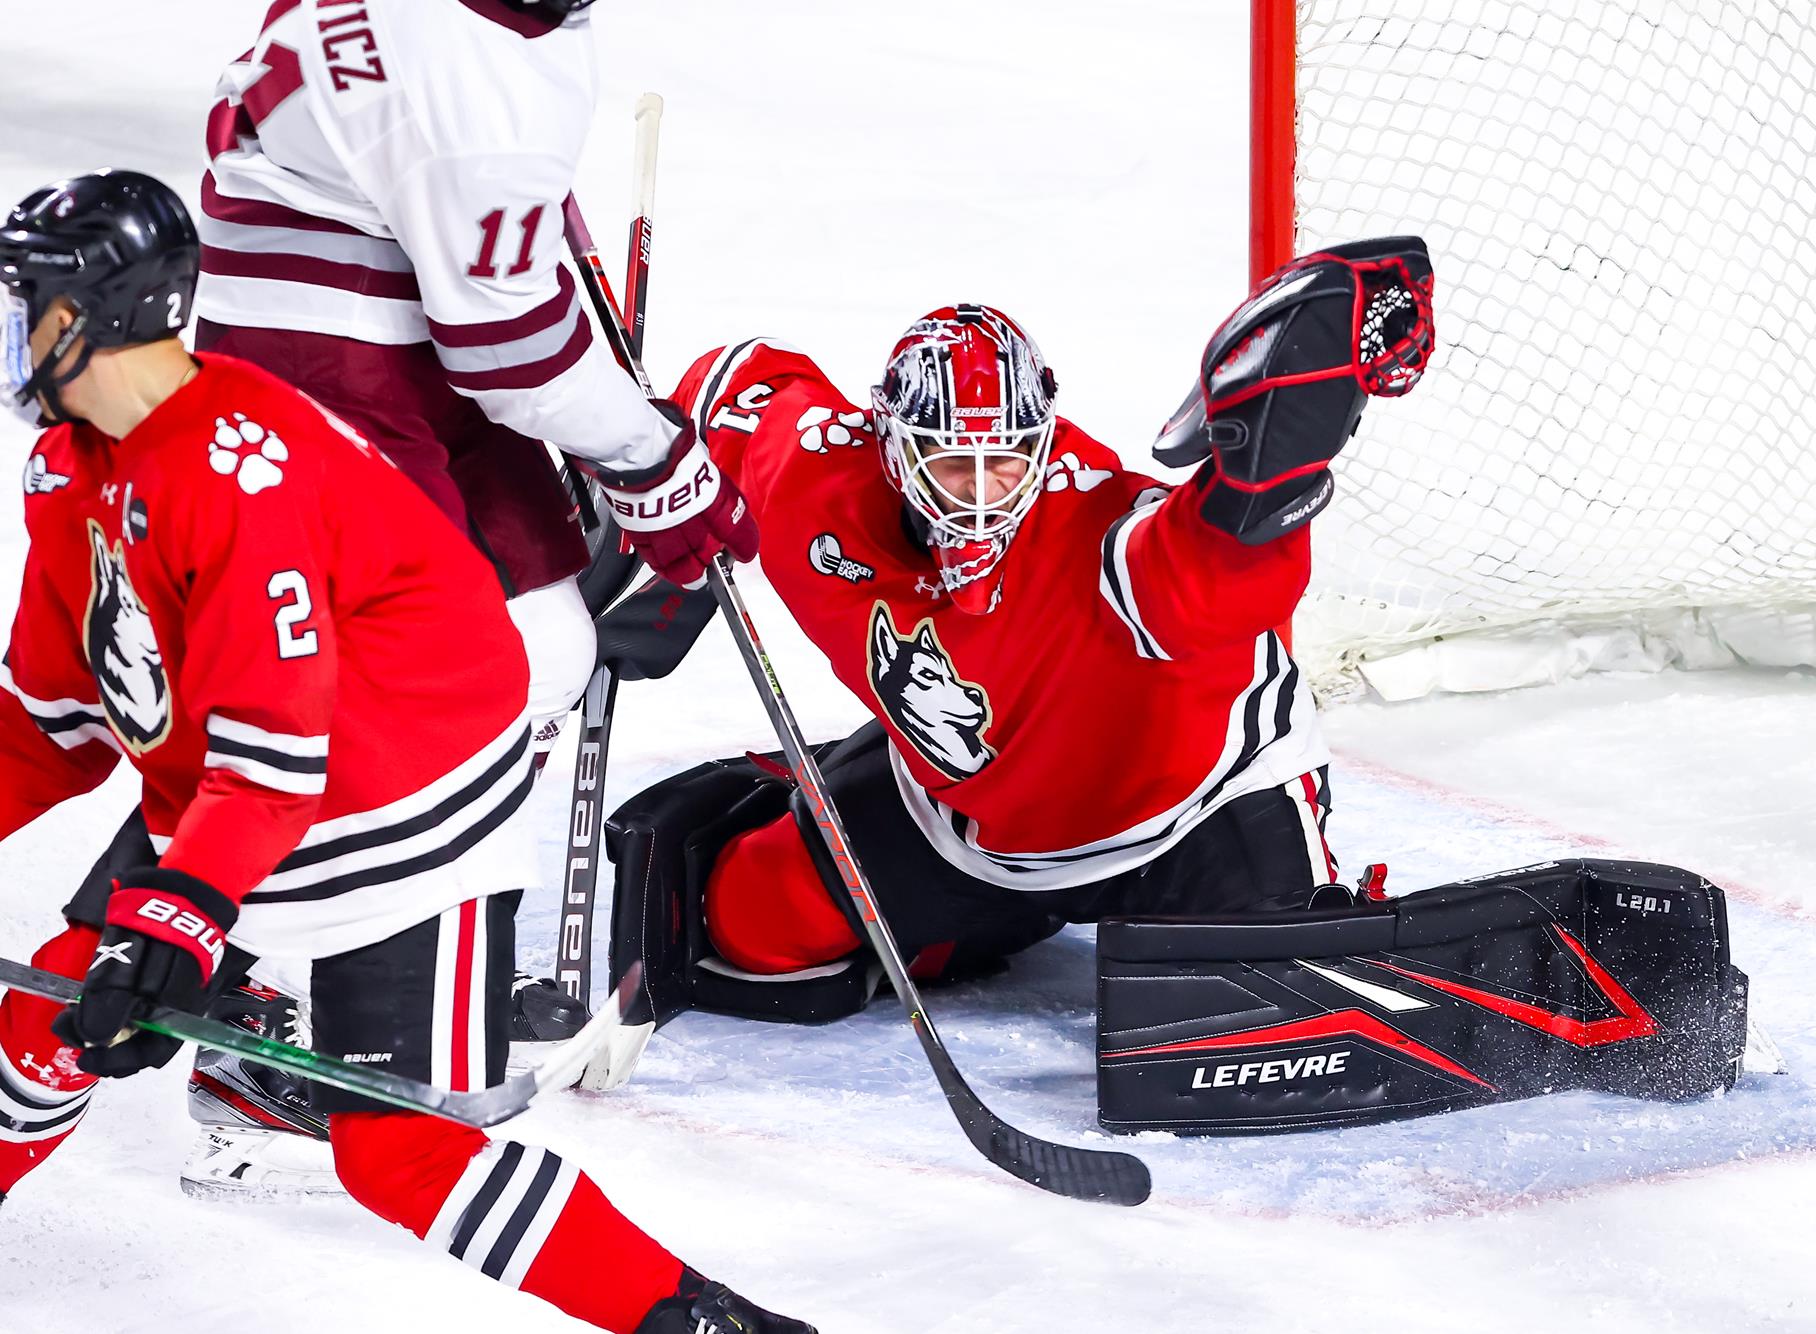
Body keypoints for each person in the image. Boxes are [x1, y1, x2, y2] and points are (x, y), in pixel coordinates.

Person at [0, 169, 811, 1334]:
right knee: (51, 1007)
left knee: (403, 1152)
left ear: (98, 317)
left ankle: (706, 1322)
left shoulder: (244, 473)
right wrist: (171, 920)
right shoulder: (74, 468)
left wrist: (178, 921)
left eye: (24, 304)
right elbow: (53, 719)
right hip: (243, 786)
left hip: (408, 802)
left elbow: (278, 757)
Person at [144, 0, 758, 1189]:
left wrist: (504, 228)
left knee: (551, 642)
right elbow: (511, 348)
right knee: (457, 677)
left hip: (386, 325)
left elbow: (449, 204)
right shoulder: (475, 84)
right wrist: (649, 459)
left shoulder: (479, 46)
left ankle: (381, 942)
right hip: (325, 365)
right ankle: (282, 1018)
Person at [596, 241, 1437, 1058]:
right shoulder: (821, 481)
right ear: (889, 443)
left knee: (1265, 1027)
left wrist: (1273, 465)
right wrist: (634, 462)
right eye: (948, 462)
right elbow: (737, 384)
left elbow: (1215, 564)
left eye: (1003, 462)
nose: (979, 494)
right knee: (747, 928)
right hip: (973, 826)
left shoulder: (1097, 524)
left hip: (1196, 810)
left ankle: (1278, 906)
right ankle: (982, 913)